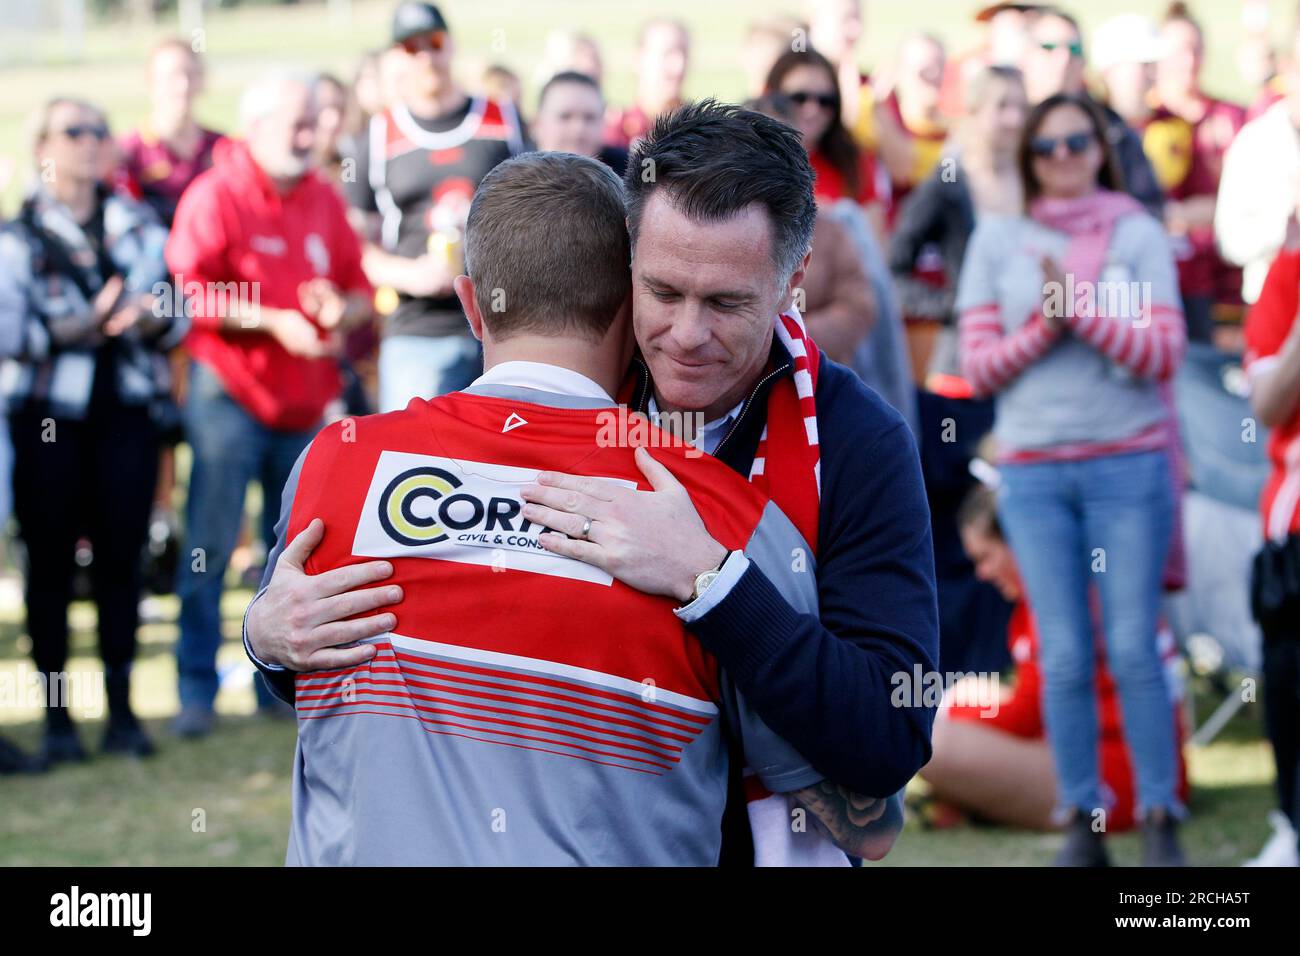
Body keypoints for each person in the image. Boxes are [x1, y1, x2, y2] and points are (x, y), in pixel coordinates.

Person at [247, 101, 941, 865]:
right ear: (623, 266)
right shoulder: (569, 377)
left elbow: (883, 754)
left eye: (727, 303)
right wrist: (270, 640)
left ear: (792, 281)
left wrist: (709, 583)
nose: (685, 335)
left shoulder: (853, 442)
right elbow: (412, 652)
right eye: (664, 292)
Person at [955, 92, 1188, 865]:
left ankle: (1159, 819)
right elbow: (979, 365)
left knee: (1131, 644)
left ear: (1101, 147)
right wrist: (1045, 327)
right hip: (1034, 473)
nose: (1063, 156)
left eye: (1077, 141)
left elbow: (1164, 354)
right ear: (1028, 157)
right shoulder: (997, 239)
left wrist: (1080, 310)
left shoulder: (1139, 232)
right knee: (1060, 653)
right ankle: (1082, 821)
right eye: (1047, 145)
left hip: (1128, 464)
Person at [166, 70, 373, 737]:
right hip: (229, 393)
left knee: (292, 550)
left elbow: (363, 294)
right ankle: (195, 688)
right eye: (298, 122)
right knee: (211, 540)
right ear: (256, 126)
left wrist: (342, 310)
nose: (312, 134)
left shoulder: (322, 197)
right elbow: (186, 293)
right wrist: (272, 320)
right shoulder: (216, 193)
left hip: (303, 403)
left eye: (315, 121)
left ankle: (275, 683)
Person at [0, 98, 185, 761]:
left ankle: (123, 710)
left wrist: (145, 320)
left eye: (98, 131)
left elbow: (177, 309)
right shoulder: (18, 234)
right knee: (48, 568)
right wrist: (72, 330)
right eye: (73, 131)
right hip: (49, 420)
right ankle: (56, 721)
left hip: (125, 416)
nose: (88, 143)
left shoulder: (136, 223)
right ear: (43, 144)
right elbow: (5, 333)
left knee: (121, 563)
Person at [921, 482, 1190, 834]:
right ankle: (967, 799)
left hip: (1119, 775)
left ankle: (968, 798)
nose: (982, 573)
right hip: (1143, 766)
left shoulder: (1059, 601)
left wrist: (954, 711)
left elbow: (1026, 717)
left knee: (928, 741)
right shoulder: (1089, 580)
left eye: (986, 557)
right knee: (969, 699)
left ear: (1020, 541)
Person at [343, 2, 523, 413]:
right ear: (395, 58)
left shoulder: (502, 119)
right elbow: (353, 247)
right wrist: (410, 274)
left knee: (505, 462)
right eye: (411, 47)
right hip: (418, 326)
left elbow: (534, 212)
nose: (426, 56)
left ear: (452, 45)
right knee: (413, 460)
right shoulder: (375, 137)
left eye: (435, 42)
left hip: (501, 321)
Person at [890, 64, 1027, 383]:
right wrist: (958, 306)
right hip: (963, 367)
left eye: (1022, 107)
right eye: (1003, 106)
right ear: (975, 111)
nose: (1015, 119)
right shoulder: (949, 183)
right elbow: (894, 272)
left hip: (1030, 364)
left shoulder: (1037, 180)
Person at [1242, 236, 1300, 867]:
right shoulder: (1290, 270)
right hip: (1294, 530)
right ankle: (1293, 822)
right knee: (1288, 684)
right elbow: (1265, 402)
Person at [746, 94, 874, 366]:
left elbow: (859, 307)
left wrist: (784, 338)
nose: (772, 161)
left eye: (783, 148)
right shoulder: (714, 225)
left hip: (813, 373)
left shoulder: (827, 227)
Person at [1020, 6, 1163, 217]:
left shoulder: (1114, 131)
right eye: (1049, 47)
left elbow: (1149, 208)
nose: (1064, 59)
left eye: (1074, 50)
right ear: (1025, 56)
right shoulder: (1004, 122)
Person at [1215, 23, 1300, 307]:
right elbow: (1229, 239)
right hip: (1273, 305)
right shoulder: (1257, 142)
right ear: (1287, 68)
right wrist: (1281, 226)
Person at [764, 48, 884, 242]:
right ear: (771, 95)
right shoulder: (749, 157)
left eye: (825, 101)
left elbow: (877, 253)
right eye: (799, 98)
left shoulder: (852, 160)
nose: (812, 109)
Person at [119, 38, 223, 228]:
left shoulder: (221, 148)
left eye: (190, 75)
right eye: (172, 77)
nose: (183, 86)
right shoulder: (129, 151)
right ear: (150, 82)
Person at [604, 18, 690, 150]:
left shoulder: (698, 129)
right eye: (668, 53)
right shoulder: (616, 133)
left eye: (684, 53)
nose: (679, 66)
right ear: (639, 59)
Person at [531, 71, 627, 175]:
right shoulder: (513, 178)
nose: (578, 128)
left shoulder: (629, 174)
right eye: (565, 116)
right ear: (538, 124)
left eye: (589, 118)